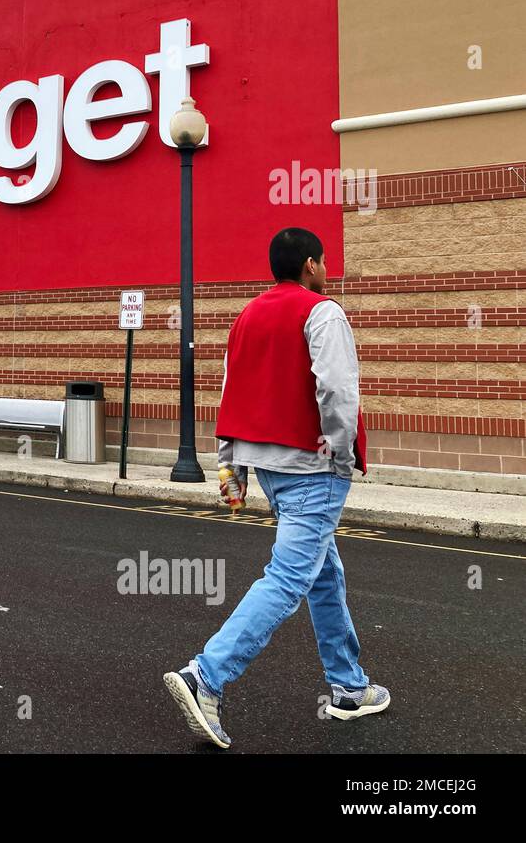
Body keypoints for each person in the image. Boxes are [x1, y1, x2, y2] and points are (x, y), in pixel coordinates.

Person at [163, 227, 389, 749]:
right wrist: (340, 450)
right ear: (310, 265)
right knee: (289, 578)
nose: (328, 269)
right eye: (324, 261)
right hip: (313, 466)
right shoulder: (323, 311)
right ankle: (206, 677)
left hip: (266, 464)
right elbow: (336, 388)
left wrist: (230, 466)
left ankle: (349, 687)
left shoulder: (246, 317)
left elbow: (231, 391)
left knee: (323, 573)